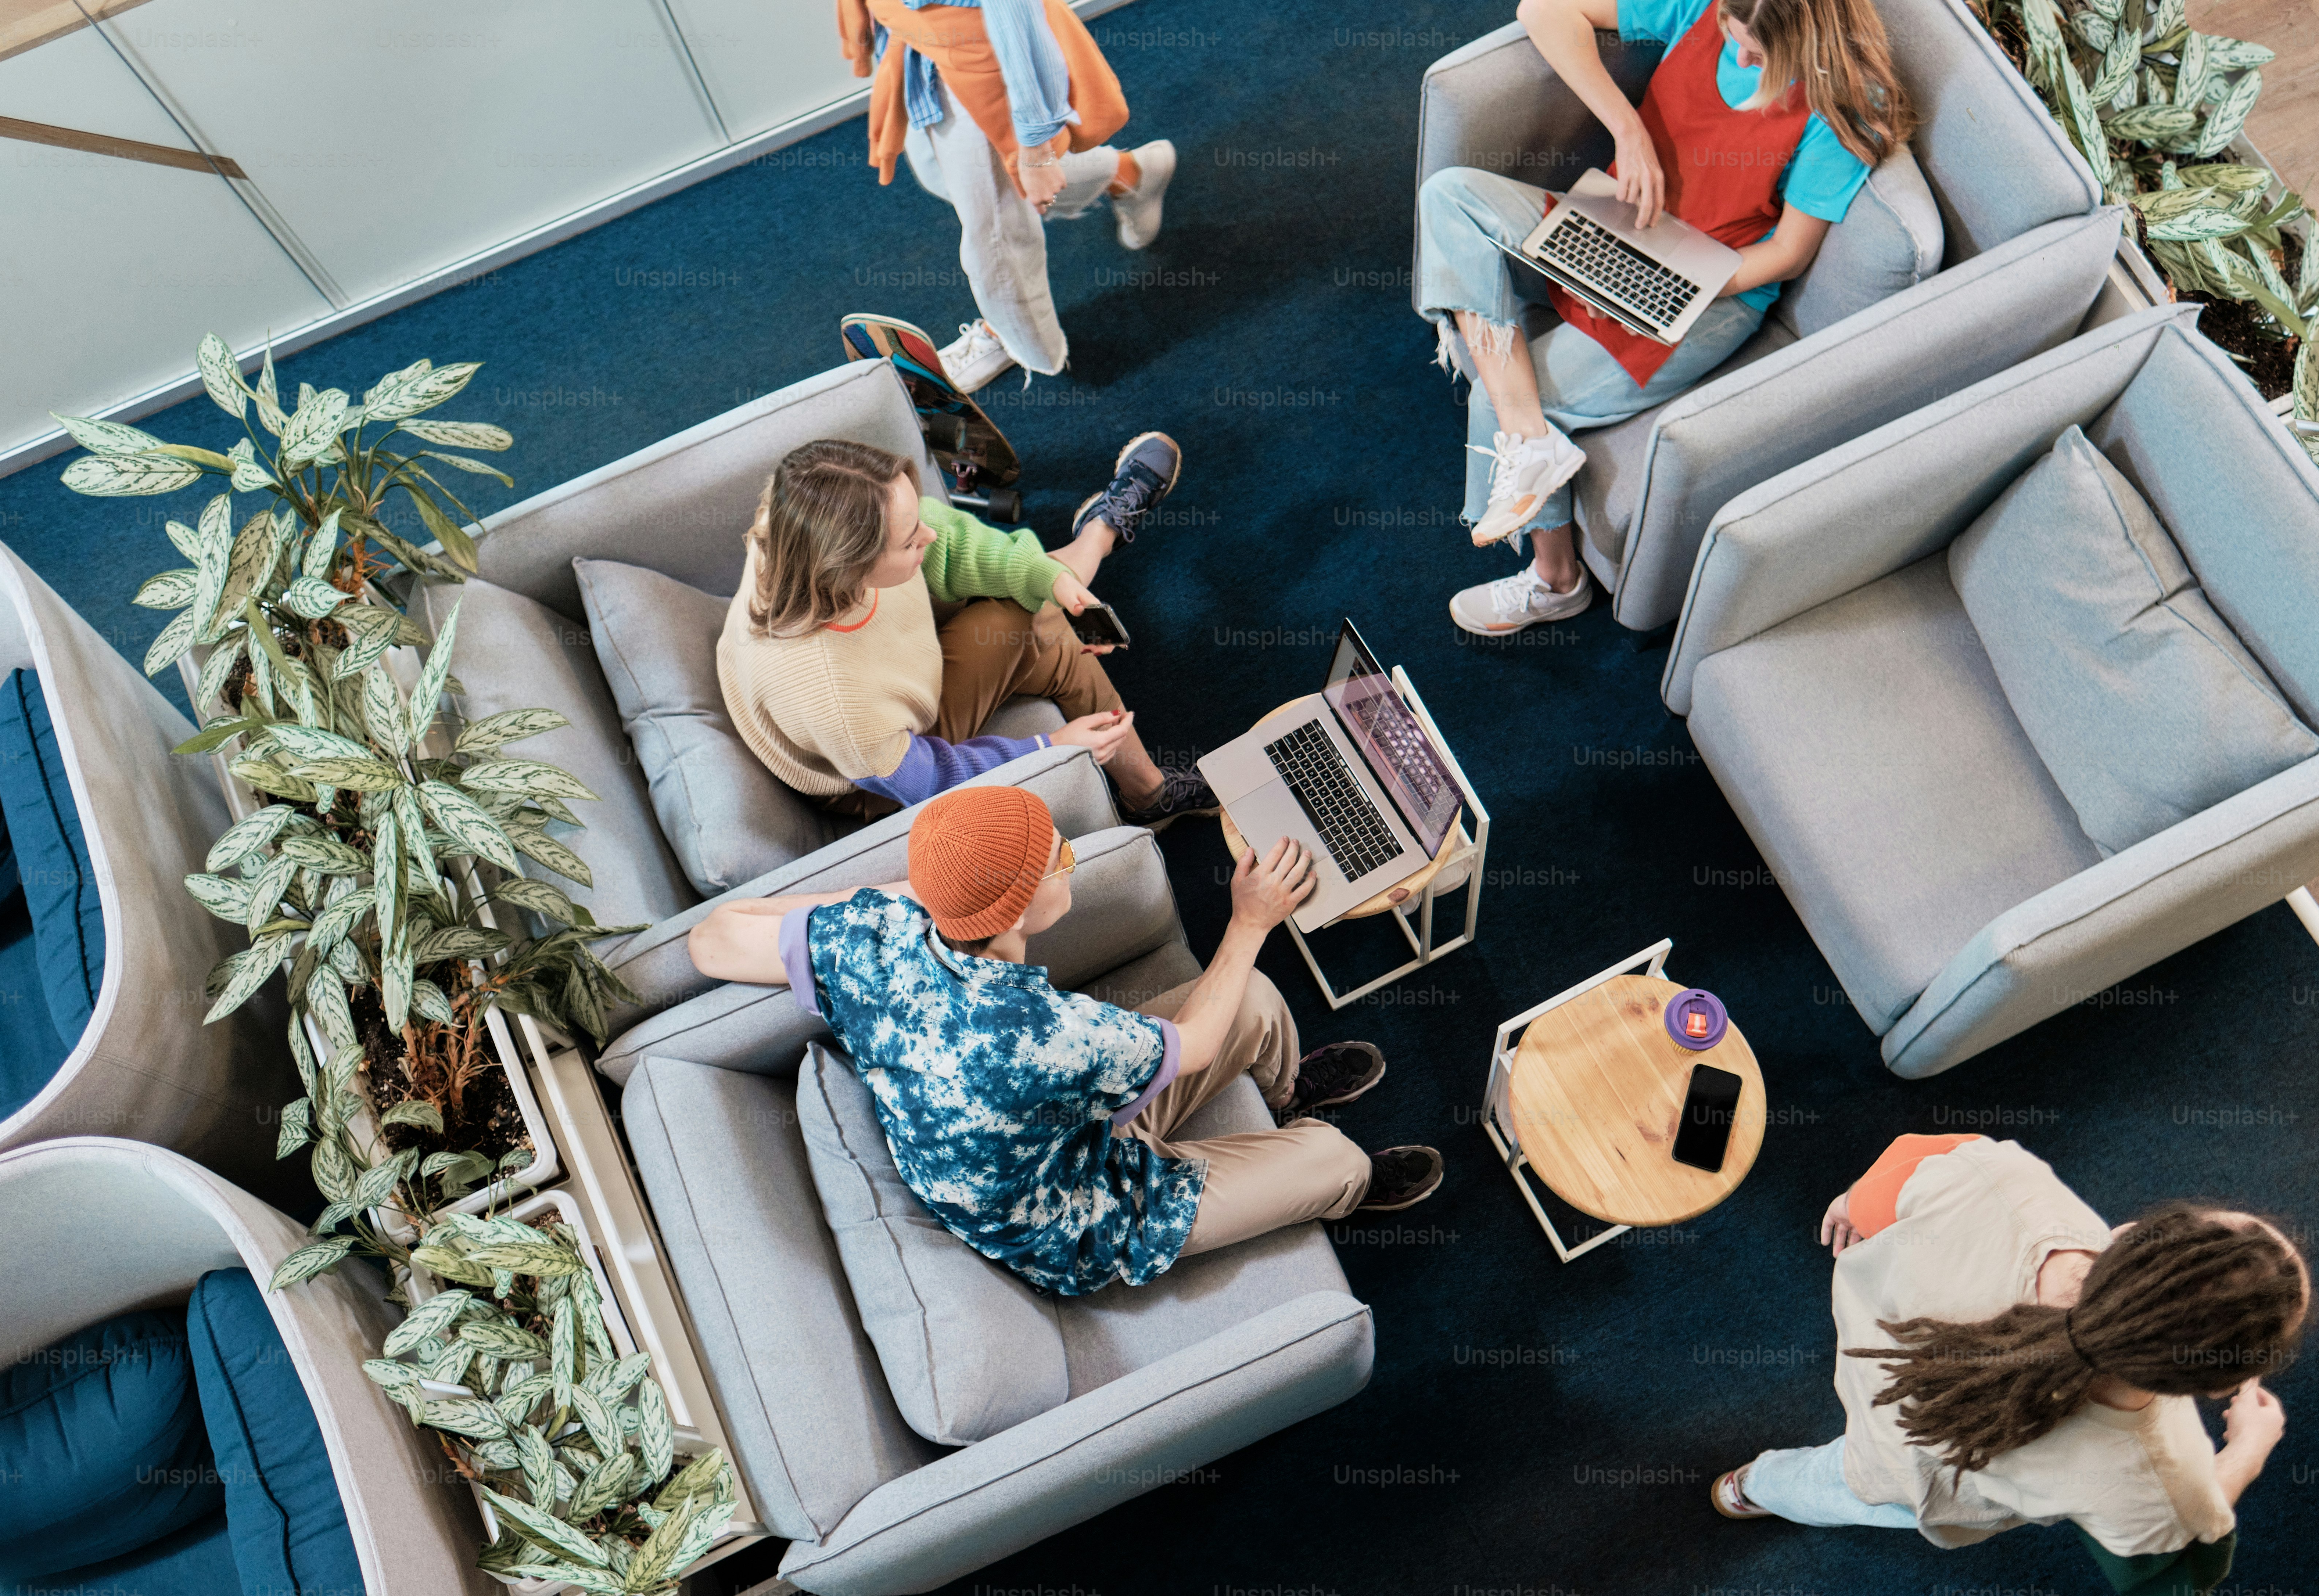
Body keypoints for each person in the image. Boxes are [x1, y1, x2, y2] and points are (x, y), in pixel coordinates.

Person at [685, 784, 1447, 1294]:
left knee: (1253, 998)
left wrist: (934, 890)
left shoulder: (870, 936)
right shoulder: (1051, 1034)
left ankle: (1283, 1093)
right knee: (1332, 1152)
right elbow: (1195, 1047)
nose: (1068, 856)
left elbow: (712, 939)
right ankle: (1346, 1186)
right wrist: (1250, 920)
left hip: (1046, 1129)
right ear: (1019, 908)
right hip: (1070, 1215)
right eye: (1062, 856)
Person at [1415, 0, 1914, 636]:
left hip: (1715, 290)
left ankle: (1557, 582)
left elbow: (1787, 254)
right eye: (1732, 38)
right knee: (1449, 199)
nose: (1738, 56)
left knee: (1499, 390)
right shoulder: (1704, 6)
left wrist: (1656, 282)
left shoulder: (1844, 106)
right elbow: (1544, 9)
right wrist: (1628, 130)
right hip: (1611, 227)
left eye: (1757, 53)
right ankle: (1528, 440)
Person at [1712, 1133, 2305, 1569]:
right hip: (1912, 1473)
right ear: (2213, 1384)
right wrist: (2249, 1446)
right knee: (1843, 1482)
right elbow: (2167, 1570)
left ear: (2135, 1235)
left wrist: (1853, 1201)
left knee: (1844, 1460)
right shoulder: (2162, 1477)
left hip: (1875, 1359)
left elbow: (1903, 1171)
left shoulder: (2010, 1184)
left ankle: (1754, 1484)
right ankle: (1754, 1486)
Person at [716, 432, 1215, 828]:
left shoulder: (794, 521)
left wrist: (1049, 580)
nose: (927, 536)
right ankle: (1149, 796)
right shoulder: (843, 705)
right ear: (850, 569)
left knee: (1040, 601)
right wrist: (1052, 747)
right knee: (1031, 619)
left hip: (884, 675)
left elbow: (947, 539)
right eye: (910, 541)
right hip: (872, 778)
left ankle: (1094, 539)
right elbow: (929, 782)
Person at [839, 0, 1180, 391]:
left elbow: (1016, 15)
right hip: (917, 39)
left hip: (979, 62)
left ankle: (1022, 343)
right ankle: (1129, 175)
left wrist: (1035, 148)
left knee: (994, 235)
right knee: (942, 176)